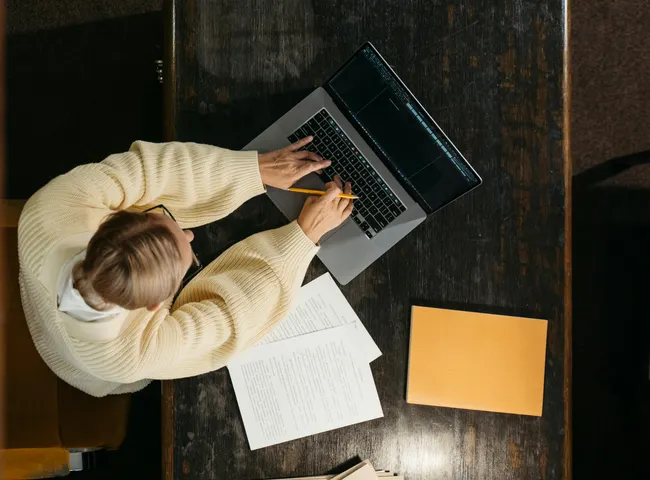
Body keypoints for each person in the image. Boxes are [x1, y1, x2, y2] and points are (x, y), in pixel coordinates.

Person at [18, 138, 353, 397]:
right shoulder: (128, 355)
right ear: (156, 306)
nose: (191, 234)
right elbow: (230, 320)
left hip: (39, 293)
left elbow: (150, 170)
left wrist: (253, 169)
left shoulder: (51, 207)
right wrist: (304, 236)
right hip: (78, 364)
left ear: (116, 220)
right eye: (190, 258)